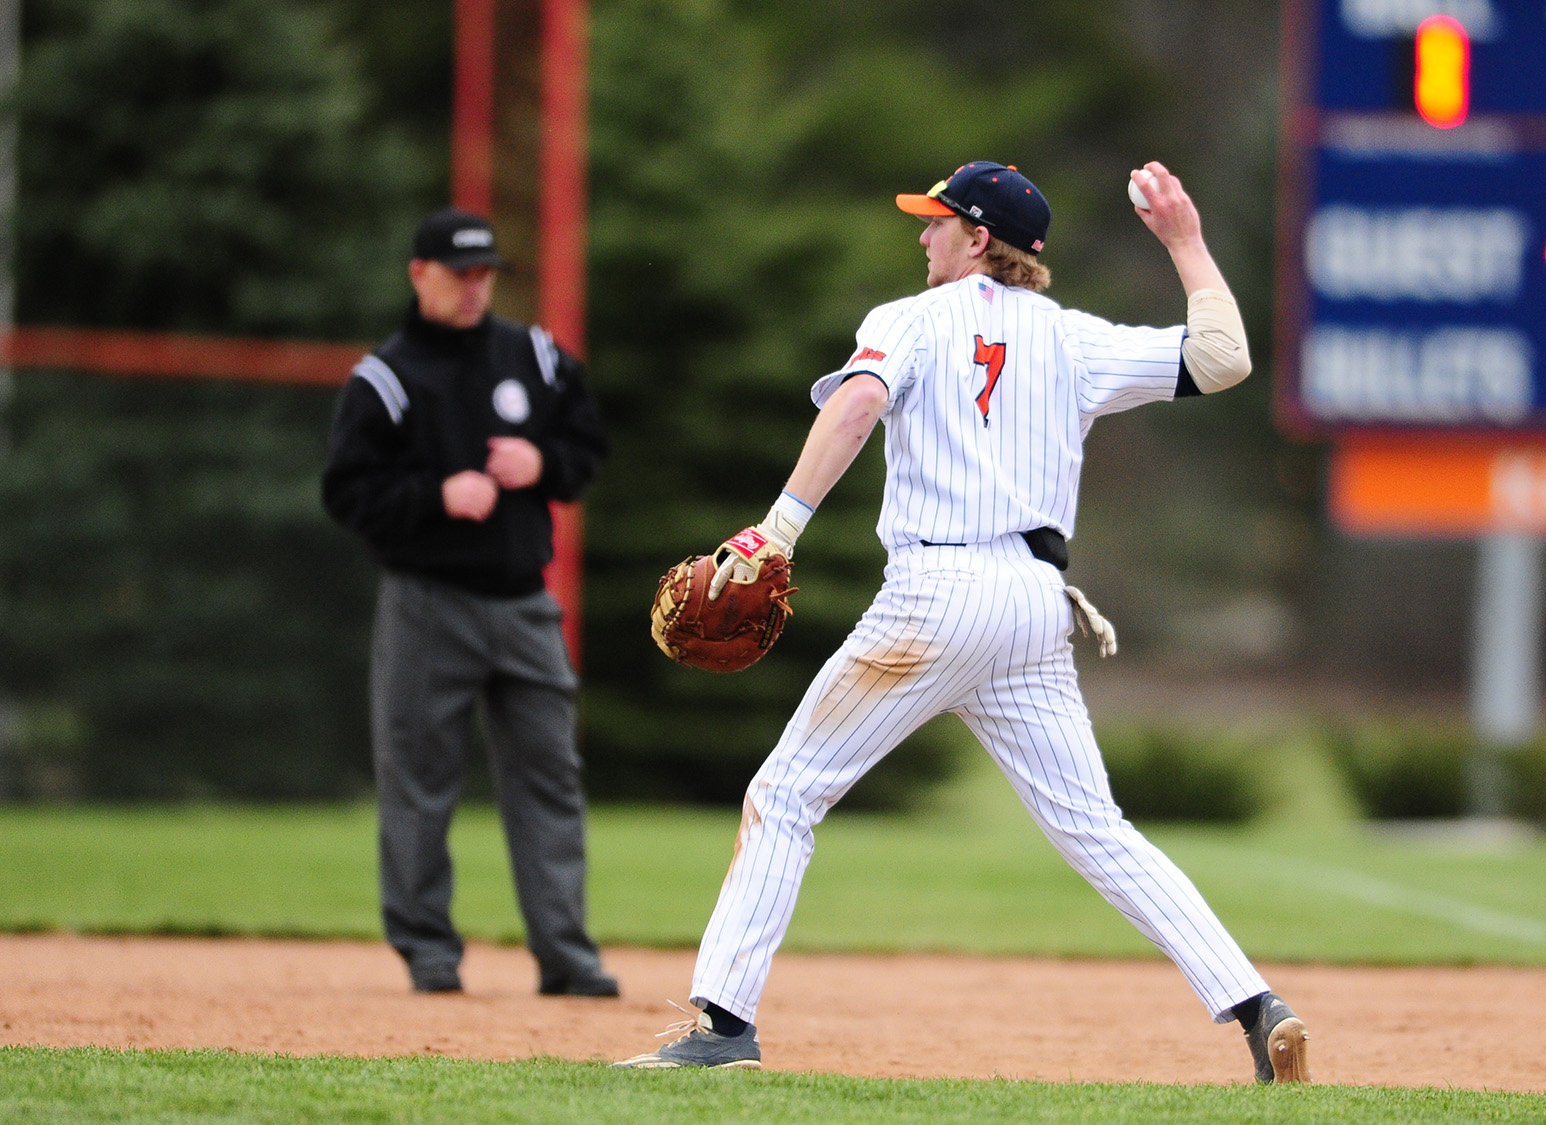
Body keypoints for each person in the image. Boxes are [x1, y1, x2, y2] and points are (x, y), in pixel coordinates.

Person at [613, 162, 1308, 1081]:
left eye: (937, 222)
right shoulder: (1072, 339)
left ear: (979, 238)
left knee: (785, 795)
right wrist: (1184, 241)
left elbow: (858, 402)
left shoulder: (911, 319)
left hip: (936, 595)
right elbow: (1223, 359)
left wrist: (777, 528)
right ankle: (1261, 1008)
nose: (922, 237)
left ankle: (724, 1026)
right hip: (1031, 605)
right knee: (1097, 829)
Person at [322, 209, 617, 998]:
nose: (475, 287)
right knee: (419, 779)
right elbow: (347, 492)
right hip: (428, 604)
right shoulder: (384, 379)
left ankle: (566, 954)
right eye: (460, 274)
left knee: (550, 776)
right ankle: (428, 948)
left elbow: (586, 452)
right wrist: (434, 494)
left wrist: (543, 461)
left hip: (525, 604)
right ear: (420, 274)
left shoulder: (537, 357)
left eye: (486, 273)